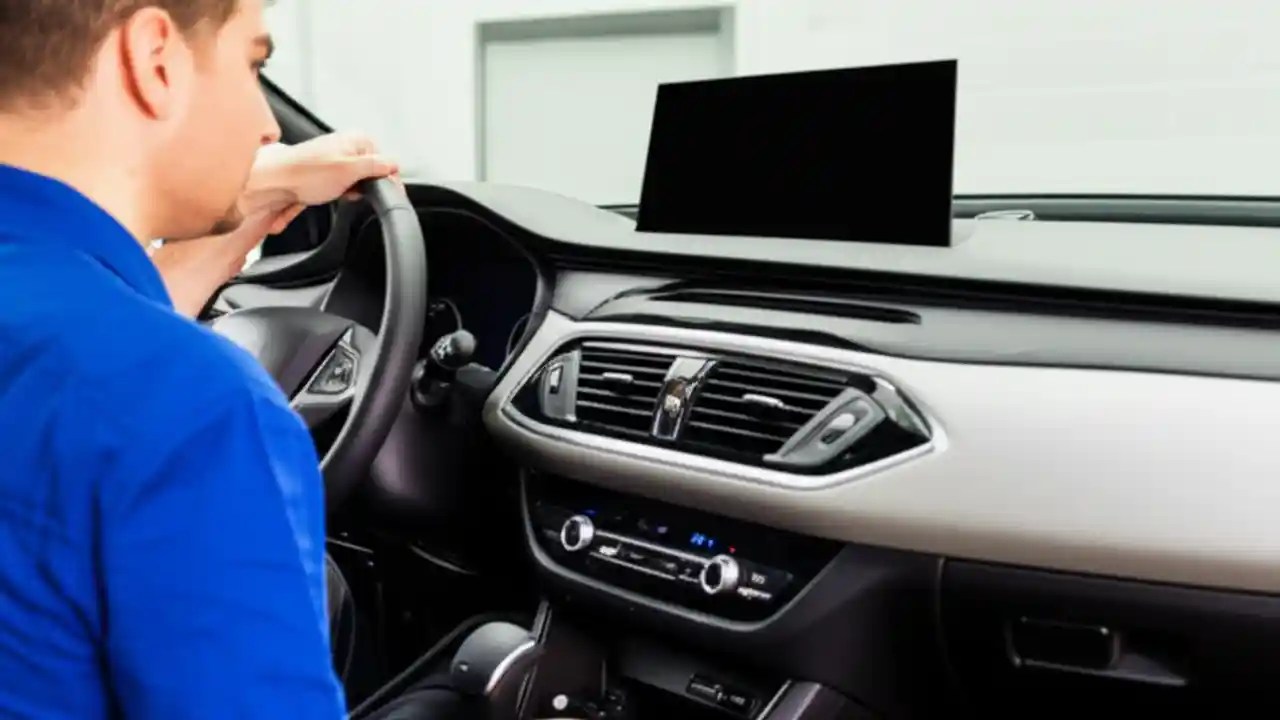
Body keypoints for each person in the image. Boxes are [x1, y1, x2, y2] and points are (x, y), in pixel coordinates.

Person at [0, 1, 393, 717]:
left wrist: (246, 195)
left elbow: (84, 338)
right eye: (253, 65)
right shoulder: (198, 407)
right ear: (155, 61)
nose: (269, 125)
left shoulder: (92, 358)